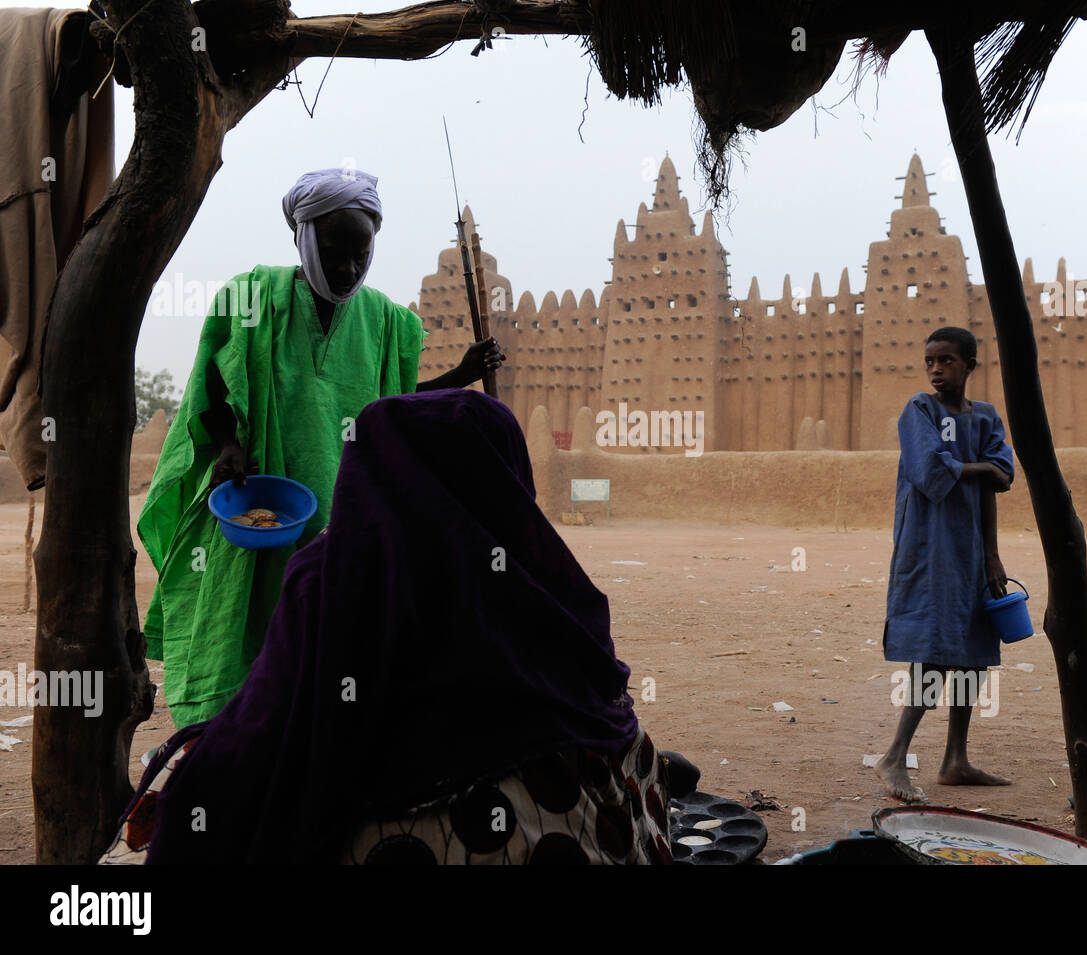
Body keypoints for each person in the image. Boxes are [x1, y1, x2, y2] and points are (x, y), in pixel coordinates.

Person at [103, 390, 677, 864]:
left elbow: (262, 731)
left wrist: (191, 796)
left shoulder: (331, 579)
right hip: (578, 834)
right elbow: (603, 701)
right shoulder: (541, 577)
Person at [138, 168, 505, 729]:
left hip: (347, 516)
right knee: (252, 641)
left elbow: (393, 404)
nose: (350, 268)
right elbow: (207, 393)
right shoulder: (251, 297)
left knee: (342, 653)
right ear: (303, 238)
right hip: (260, 508)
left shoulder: (386, 321)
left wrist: (459, 375)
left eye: (362, 255)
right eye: (336, 253)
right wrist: (228, 446)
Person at [873, 326, 1015, 804]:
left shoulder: (986, 417)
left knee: (975, 644)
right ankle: (895, 754)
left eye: (947, 361)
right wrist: (977, 469)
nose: (936, 369)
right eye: (930, 361)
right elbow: (931, 470)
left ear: (970, 365)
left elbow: (1003, 478)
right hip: (930, 546)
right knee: (935, 647)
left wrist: (992, 555)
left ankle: (956, 759)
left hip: (973, 550)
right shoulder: (920, 410)